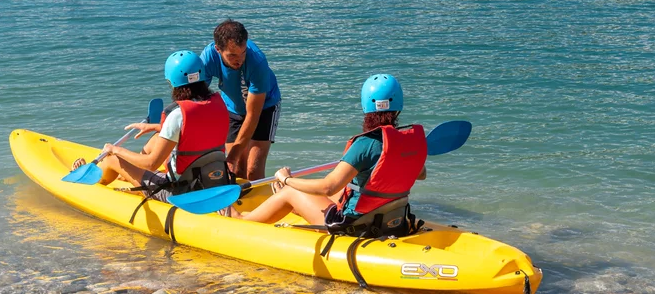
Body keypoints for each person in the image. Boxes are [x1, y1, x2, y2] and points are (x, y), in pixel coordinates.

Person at [229, 74, 426, 229]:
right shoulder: (408, 142)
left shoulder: (364, 144)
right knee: (345, 188)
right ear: (398, 106)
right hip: (390, 216)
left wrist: (286, 179)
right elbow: (421, 174)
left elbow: (327, 188)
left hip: (355, 223)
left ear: (366, 105)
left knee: (290, 191)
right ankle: (299, 206)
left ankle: (243, 221)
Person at [69, 51, 231, 201]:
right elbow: (195, 129)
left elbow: (151, 163)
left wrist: (114, 149)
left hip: (179, 191)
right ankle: (124, 175)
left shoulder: (177, 115)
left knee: (112, 159)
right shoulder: (219, 104)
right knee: (156, 139)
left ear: (173, 82)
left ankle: (92, 182)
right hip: (213, 180)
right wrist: (155, 127)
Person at [199, 20, 282, 180]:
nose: (240, 59)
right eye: (233, 55)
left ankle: (266, 203)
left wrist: (232, 157)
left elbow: (252, 116)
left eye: (243, 52)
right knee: (236, 172)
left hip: (265, 108)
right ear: (218, 49)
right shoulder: (208, 58)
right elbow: (196, 97)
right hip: (233, 108)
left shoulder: (257, 61)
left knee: (253, 171)